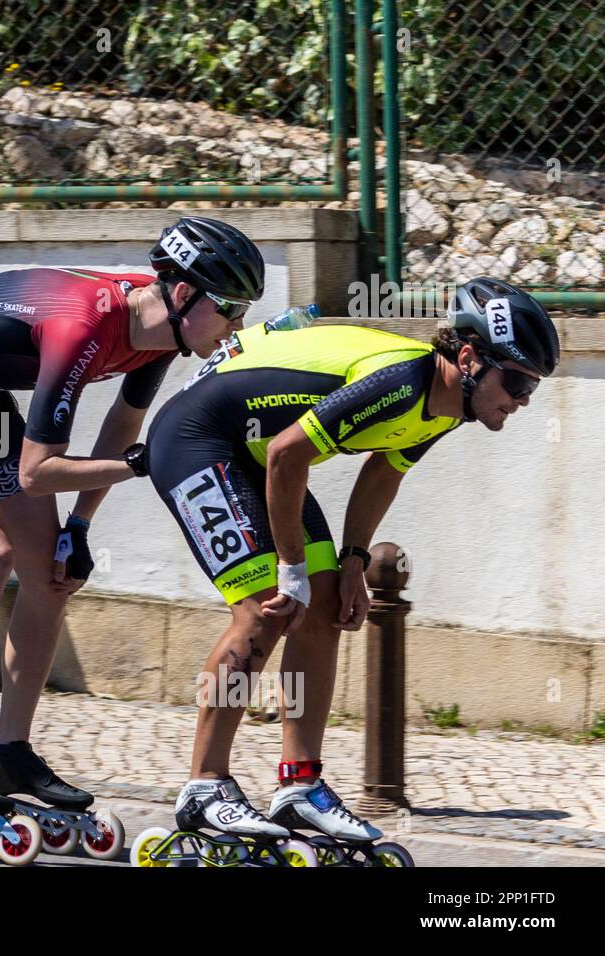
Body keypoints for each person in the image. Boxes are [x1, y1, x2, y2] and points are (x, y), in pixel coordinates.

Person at [0, 218, 266, 840]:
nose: (237, 325)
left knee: (52, 572)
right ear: (185, 295)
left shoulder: (158, 333)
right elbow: (36, 468)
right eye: (231, 308)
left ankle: (10, 754)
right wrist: (136, 468)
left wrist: (79, 525)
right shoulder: (81, 329)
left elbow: (121, 430)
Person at [138, 276, 559, 860]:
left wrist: (355, 560)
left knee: (327, 604)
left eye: (532, 388)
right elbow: (289, 455)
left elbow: (386, 470)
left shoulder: (445, 406)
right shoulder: (402, 382)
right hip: (198, 440)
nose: (521, 400)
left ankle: (299, 783)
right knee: (265, 611)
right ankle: (204, 786)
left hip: (256, 454)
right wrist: (289, 567)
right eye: (516, 381)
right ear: (468, 358)